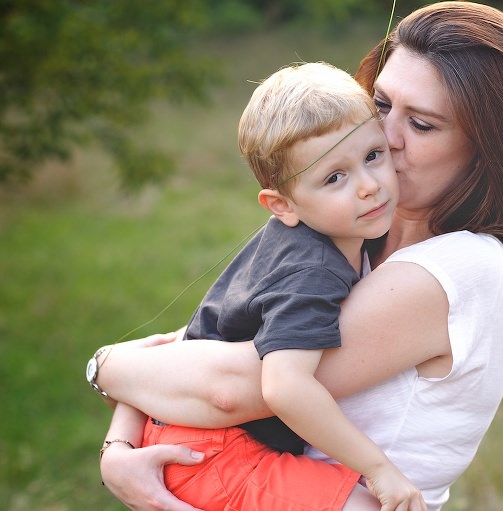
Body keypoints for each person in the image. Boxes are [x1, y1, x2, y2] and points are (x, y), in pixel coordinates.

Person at [92, 2, 503, 510]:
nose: (383, 137)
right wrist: (120, 447)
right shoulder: (343, 236)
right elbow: (202, 339)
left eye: (421, 125)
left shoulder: (463, 270)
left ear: (485, 148)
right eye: (379, 104)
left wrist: (107, 364)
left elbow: (227, 387)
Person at [88, 61, 427, 510]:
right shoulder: (312, 272)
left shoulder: (325, 230)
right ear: (282, 205)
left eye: (372, 156)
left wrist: (122, 441)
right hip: (210, 454)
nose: (369, 187)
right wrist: (379, 468)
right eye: (334, 177)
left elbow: (189, 340)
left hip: (178, 425)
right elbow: (285, 387)